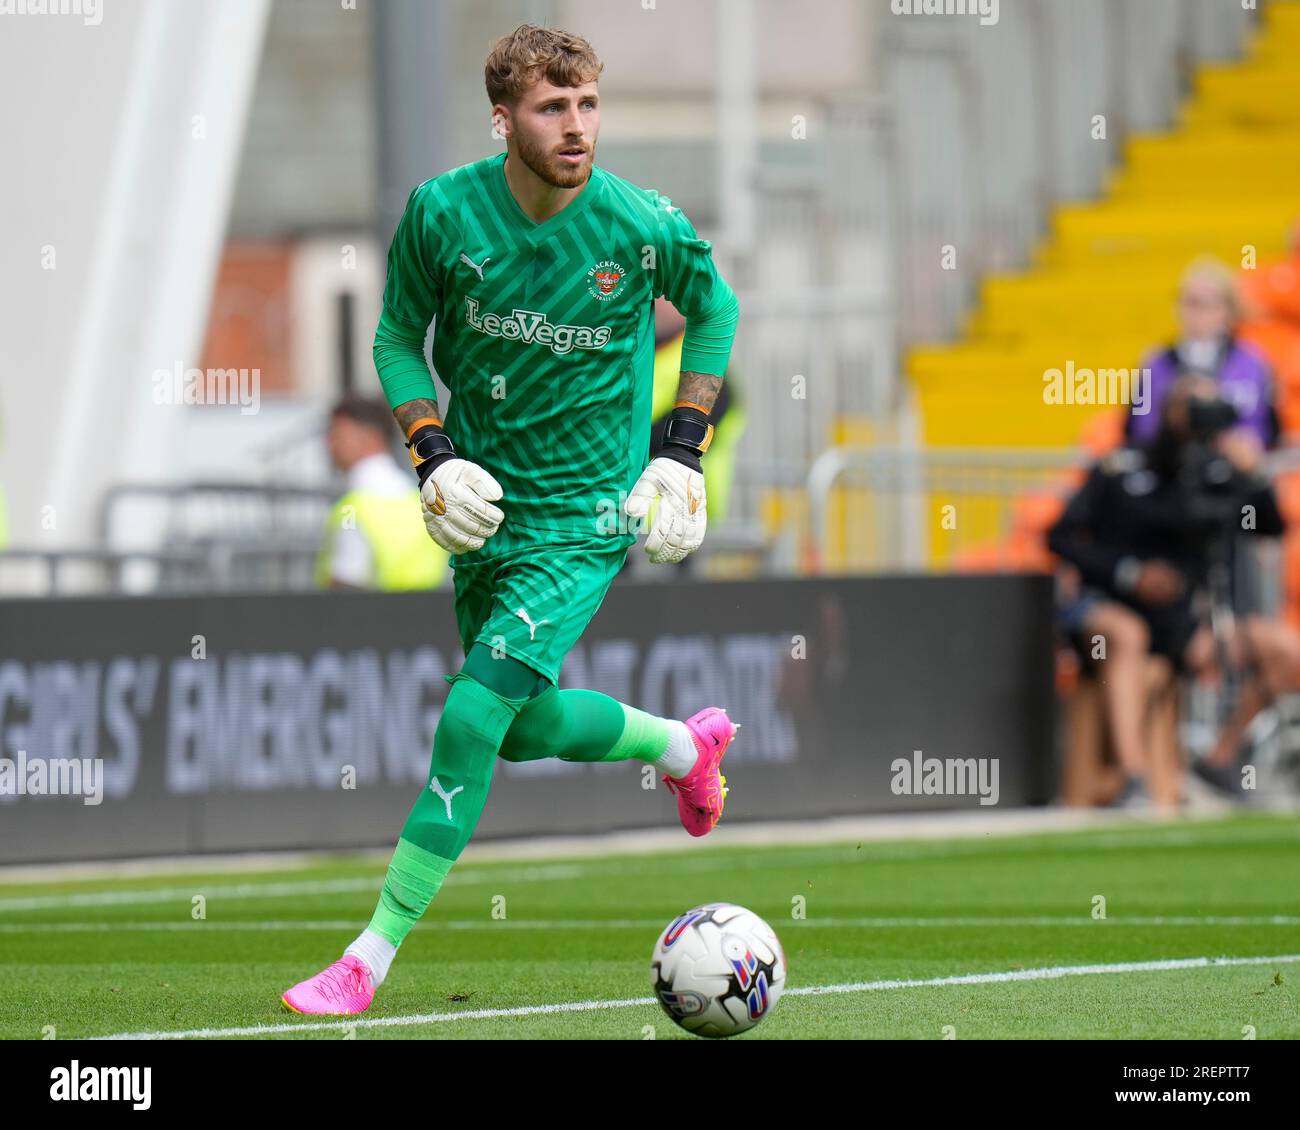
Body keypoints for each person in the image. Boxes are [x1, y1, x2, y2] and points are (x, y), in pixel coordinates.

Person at [282, 23, 741, 1016]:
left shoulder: (639, 222)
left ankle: (369, 952)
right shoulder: (442, 215)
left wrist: (681, 446)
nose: (576, 128)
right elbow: (399, 338)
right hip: (485, 506)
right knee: (522, 725)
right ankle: (679, 747)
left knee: (469, 711)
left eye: (586, 105)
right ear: (503, 119)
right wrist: (431, 450)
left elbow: (716, 311)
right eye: (551, 108)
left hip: (585, 514)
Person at [1049, 374, 1298, 809]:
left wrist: (1254, 476)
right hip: (1109, 609)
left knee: (1283, 649)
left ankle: (1221, 759)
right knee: (1128, 635)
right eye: (1193, 407)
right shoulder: (1122, 467)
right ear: (1170, 410)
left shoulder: (1216, 474)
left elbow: (1267, 526)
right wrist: (1130, 573)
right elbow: (1060, 536)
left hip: (1180, 624)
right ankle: (1134, 779)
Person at [316, 394, 449, 591]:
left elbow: (344, 586)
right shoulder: (422, 500)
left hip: (371, 618)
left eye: (338, 434)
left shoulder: (353, 507)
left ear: (371, 436)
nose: (329, 443)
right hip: (428, 615)